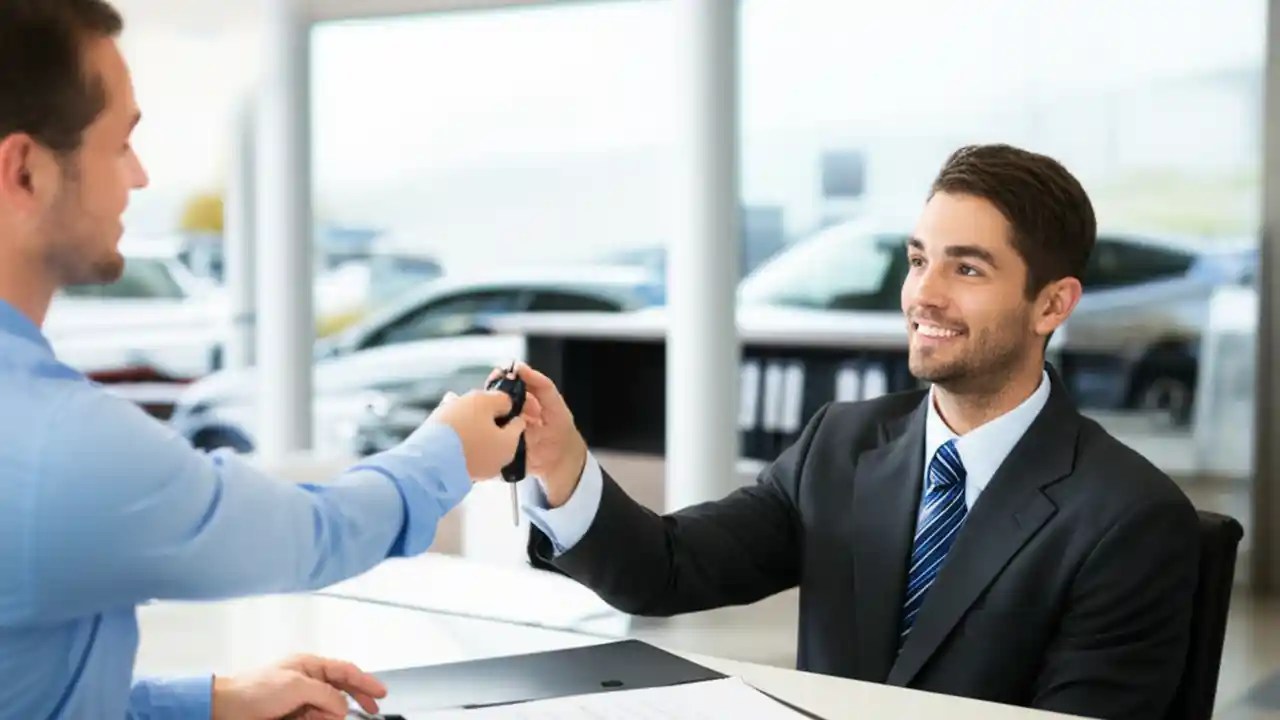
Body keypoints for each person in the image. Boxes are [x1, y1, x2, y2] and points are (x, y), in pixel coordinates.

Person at [508, 144, 1201, 719]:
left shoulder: (1129, 519)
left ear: (1052, 303)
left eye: (966, 268)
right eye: (918, 259)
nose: (923, 294)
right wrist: (563, 463)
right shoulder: (839, 445)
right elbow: (664, 571)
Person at [0, 1, 529, 718]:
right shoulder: (53, 445)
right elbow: (313, 534)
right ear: (24, 171)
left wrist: (213, 702)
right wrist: (452, 450)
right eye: (120, 144)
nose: (140, 177)